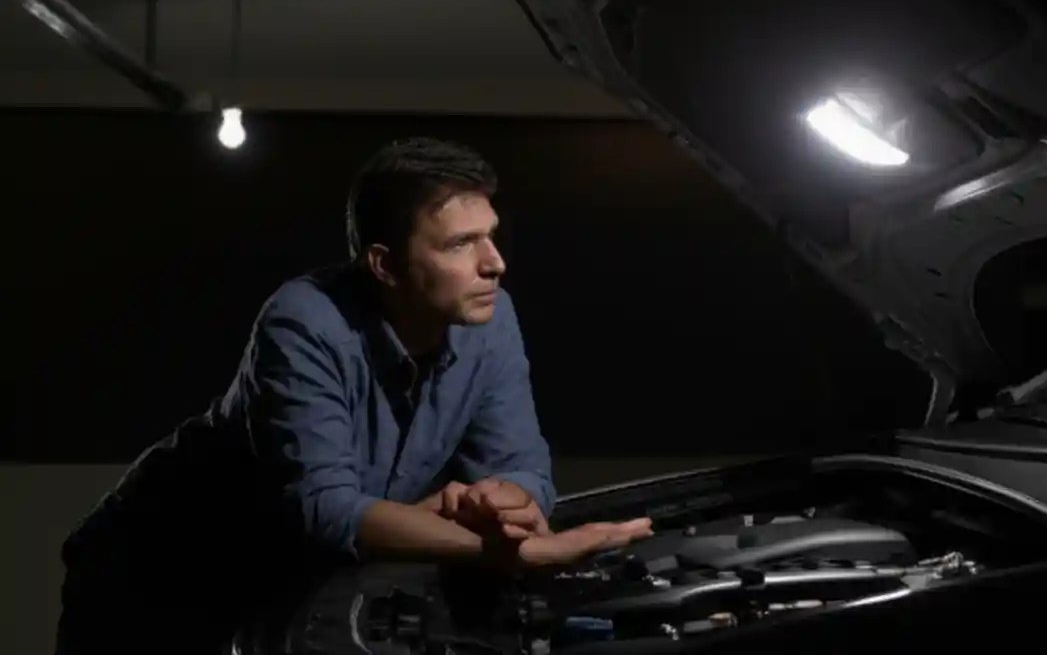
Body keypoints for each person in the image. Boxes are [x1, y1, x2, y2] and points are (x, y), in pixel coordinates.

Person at [55, 137, 653, 654]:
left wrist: (506, 503)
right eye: (459, 244)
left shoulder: (490, 320)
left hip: (289, 578)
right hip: (154, 569)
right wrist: (499, 551)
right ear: (385, 266)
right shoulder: (304, 321)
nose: (494, 263)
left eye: (491, 237)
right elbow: (327, 510)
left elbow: (522, 466)